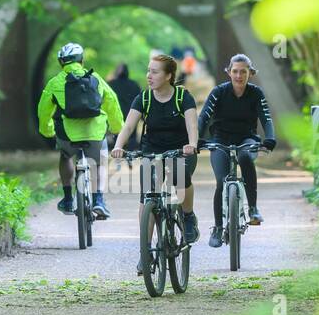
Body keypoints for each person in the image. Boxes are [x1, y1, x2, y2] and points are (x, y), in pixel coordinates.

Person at [111, 54, 201, 271]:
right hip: (152, 151)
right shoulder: (144, 98)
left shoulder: (182, 97)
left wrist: (192, 144)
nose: (149, 76)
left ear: (169, 76)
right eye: (148, 71)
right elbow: (129, 126)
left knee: (180, 178)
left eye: (155, 71)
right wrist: (119, 146)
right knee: (148, 197)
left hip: (181, 150)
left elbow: (192, 126)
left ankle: (188, 217)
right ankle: (146, 252)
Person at [197, 53, 276, 248]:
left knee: (245, 158)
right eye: (235, 71)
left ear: (250, 73)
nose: (239, 76)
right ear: (229, 72)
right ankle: (217, 227)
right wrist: (196, 139)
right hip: (220, 139)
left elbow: (265, 117)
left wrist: (270, 138)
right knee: (221, 182)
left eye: (243, 72)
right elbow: (204, 116)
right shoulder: (218, 92)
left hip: (246, 138)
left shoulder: (256, 93)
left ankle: (253, 209)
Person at [37, 42, 125, 219]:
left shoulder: (55, 83)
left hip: (68, 135)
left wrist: (47, 131)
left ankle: (68, 198)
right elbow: (112, 103)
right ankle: (98, 199)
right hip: (95, 133)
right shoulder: (96, 79)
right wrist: (118, 129)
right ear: (82, 60)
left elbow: (43, 111)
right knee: (99, 161)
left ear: (61, 63)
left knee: (65, 156)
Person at [106, 62, 142, 151]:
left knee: (116, 137)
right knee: (131, 136)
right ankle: (130, 160)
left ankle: (117, 154)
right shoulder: (134, 84)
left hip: (116, 117)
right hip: (131, 115)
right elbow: (140, 101)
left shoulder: (110, 84)